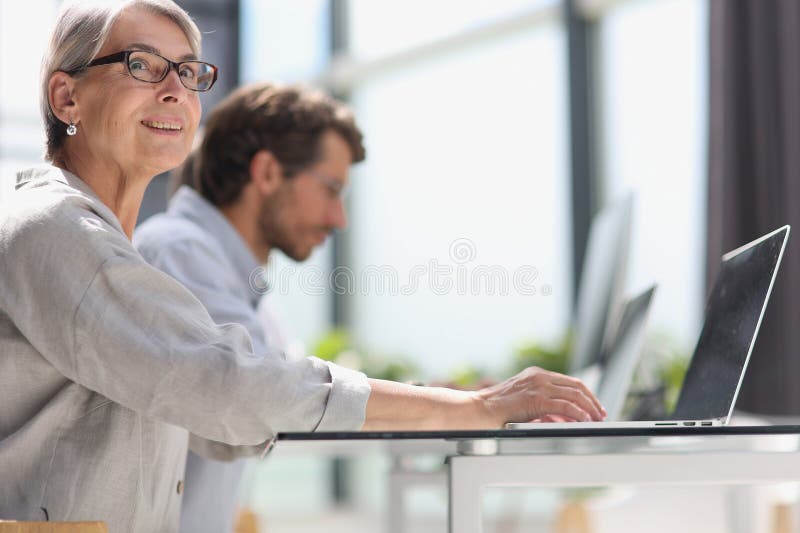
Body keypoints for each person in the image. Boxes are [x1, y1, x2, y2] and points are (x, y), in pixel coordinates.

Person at [0, 1, 605, 531]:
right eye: (142, 65)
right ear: (66, 96)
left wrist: (439, 400)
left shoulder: (106, 243)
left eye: (188, 72)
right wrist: (474, 409)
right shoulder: (55, 229)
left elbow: (225, 416)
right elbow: (228, 386)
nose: (175, 90)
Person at [134, 83, 362, 533]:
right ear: (268, 173)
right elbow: (274, 400)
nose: (339, 218)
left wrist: (429, 395)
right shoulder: (178, 253)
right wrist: (454, 407)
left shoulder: (238, 283)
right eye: (331, 189)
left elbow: (306, 391)